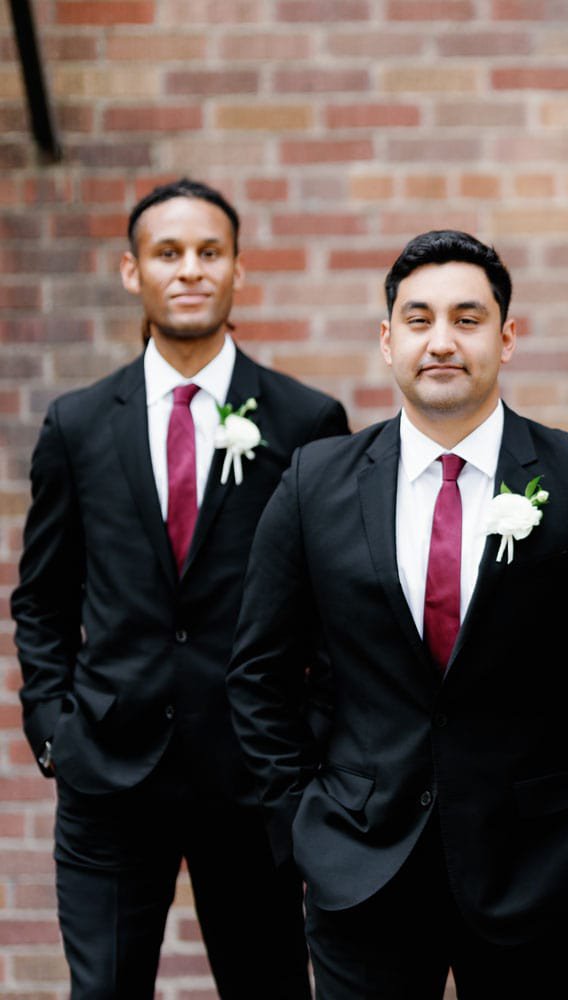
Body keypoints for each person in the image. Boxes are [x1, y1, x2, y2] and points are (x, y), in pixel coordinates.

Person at [227, 230, 568, 999]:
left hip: (534, 864)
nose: (441, 341)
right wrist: (300, 822)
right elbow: (258, 672)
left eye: (467, 319)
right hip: (359, 864)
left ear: (507, 338)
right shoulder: (317, 481)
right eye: (418, 319)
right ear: (387, 341)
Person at [10, 177, 349, 999]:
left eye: (209, 252)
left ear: (239, 271)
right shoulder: (79, 424)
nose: (190, 269)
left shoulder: (306, 422)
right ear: (133, 272)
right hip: (108, 774)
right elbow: (43, 599)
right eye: (169, 253)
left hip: (251, 777)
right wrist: (55, 728)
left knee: (267, 986)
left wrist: (303, 745)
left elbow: (333, 612)